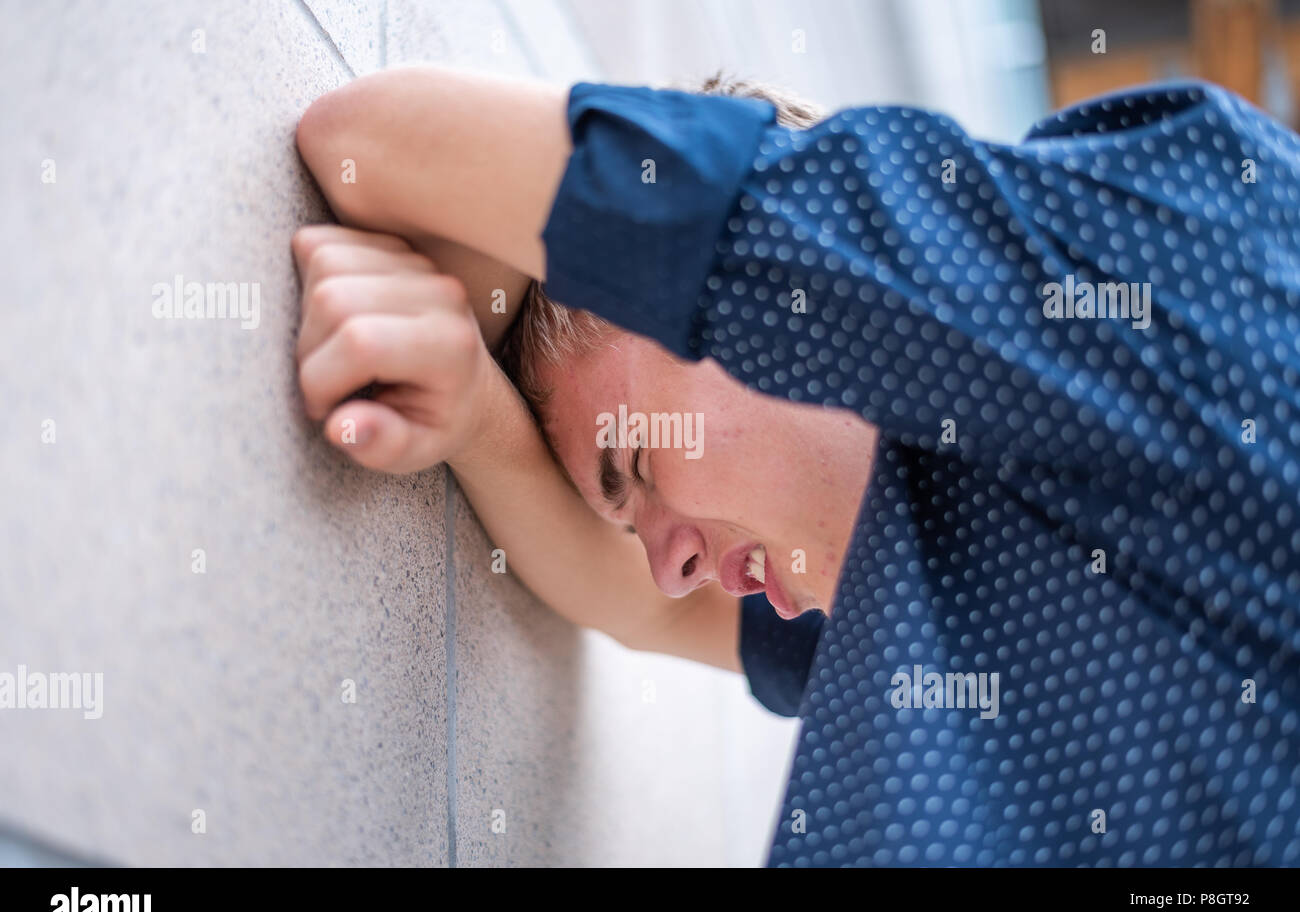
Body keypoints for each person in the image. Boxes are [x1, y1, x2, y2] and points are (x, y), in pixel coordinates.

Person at [292, 65, 1300, 866]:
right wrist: (470, 409)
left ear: (784, 296)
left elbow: (368, 144)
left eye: (634, 462)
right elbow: (642, 605)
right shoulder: (900, 580)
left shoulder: (1200, 292)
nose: (668, 565)